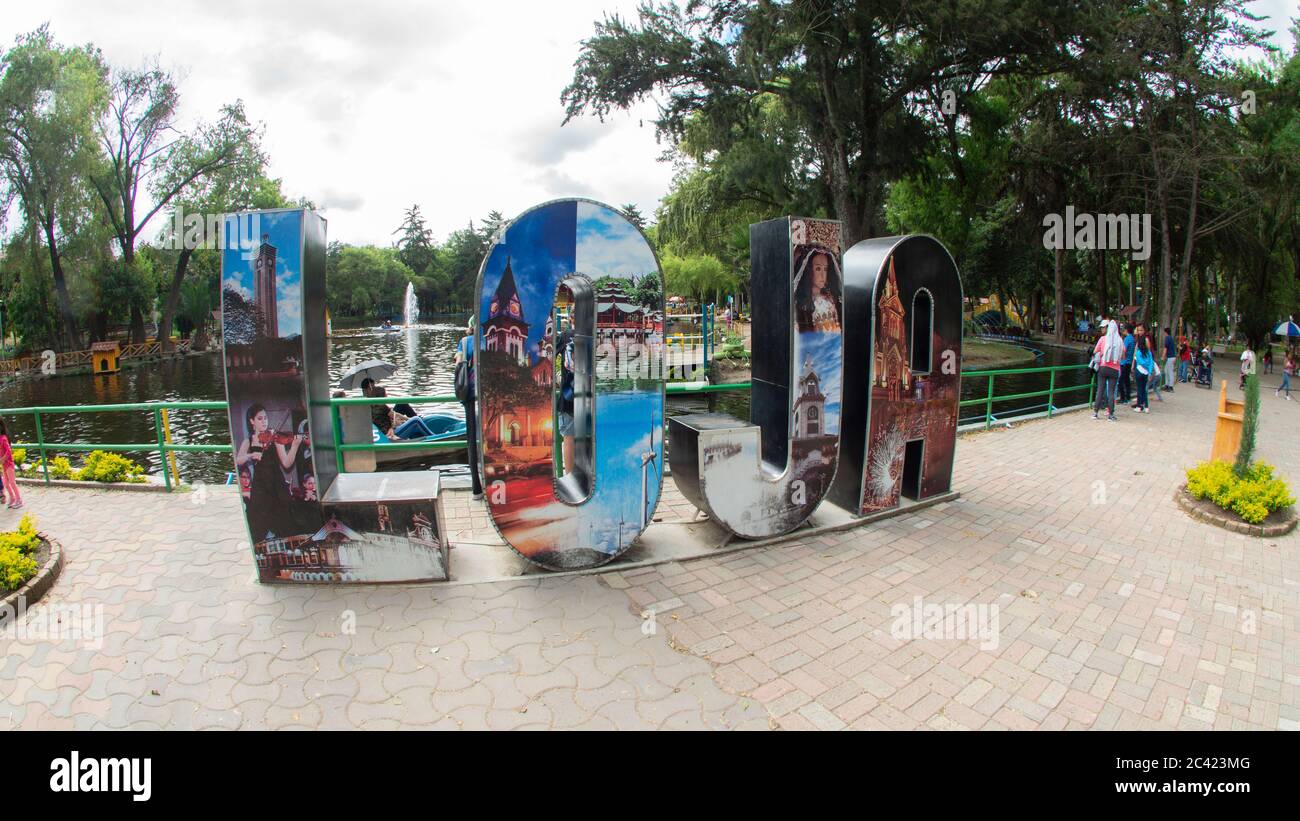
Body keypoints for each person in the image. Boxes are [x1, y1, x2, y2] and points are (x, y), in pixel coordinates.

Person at [234, 404, 303, 540]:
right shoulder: (248, 441)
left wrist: (294, 446)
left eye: (265, 418)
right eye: (260, 419)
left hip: (277, 484)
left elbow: (287, 463)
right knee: (257, 521)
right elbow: (238, 460)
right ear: (252, 421)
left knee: (286, 521)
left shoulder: (275, 439)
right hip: (260, 486)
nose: (264, 421)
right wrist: (250, 455)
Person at [453, 317, 483, 499]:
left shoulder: (464, 342)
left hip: (469, 394)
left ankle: (476, 489)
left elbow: (458, 364)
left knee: (471, 440)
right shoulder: (489, 340)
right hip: (488, 394)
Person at [795, 249, 842, 333]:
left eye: (825, 269)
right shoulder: (802, 304)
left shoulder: (831, 299)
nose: (823, 275)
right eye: (818, 269)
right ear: (808, 271)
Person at [1092, 320, 1123, 421]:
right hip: (1114, 369)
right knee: (1111, 392)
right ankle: (1111, 415)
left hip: (1103, 367)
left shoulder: (1103, 339)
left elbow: (1095, 351)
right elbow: (1123, 355)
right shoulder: (1120, 341)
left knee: (1100, 390)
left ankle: (1095, 413)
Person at [556, 326, 577, 474]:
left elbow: (548, 356)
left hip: (569, 395)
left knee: (569, 437)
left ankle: (570, 479)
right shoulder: (597, 334)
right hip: (593, 396)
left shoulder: (565, 336)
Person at [0, 418, 23, 509]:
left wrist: (3, 458)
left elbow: (9, 451)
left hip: (9, 464)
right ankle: (12, 498)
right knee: (6, 483)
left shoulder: (4, 438)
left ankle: (19, 499)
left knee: (12, 482)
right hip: (4, 465)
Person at [1133, 334, 1155, 413]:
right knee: (1144, 390)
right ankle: (1146, 407)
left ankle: (1139, 406)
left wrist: (1145, 365)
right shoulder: (1148, 352)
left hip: (1139, 371)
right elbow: (1151, 362)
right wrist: (1149, 371)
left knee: (1139, 389)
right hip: (1146, 373)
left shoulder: (1138, 352)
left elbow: (1140, 362)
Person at [1118, 323, 1136, 403]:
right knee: (1127, 380)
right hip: (1129, 362)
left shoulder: (1127, 339)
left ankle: (1123, 398)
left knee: (1120, 381)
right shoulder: (1132, 339)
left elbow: (1124, 350)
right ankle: (1128, 397)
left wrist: (1121, 357)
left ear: (1126, 330)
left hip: (1124, 363)